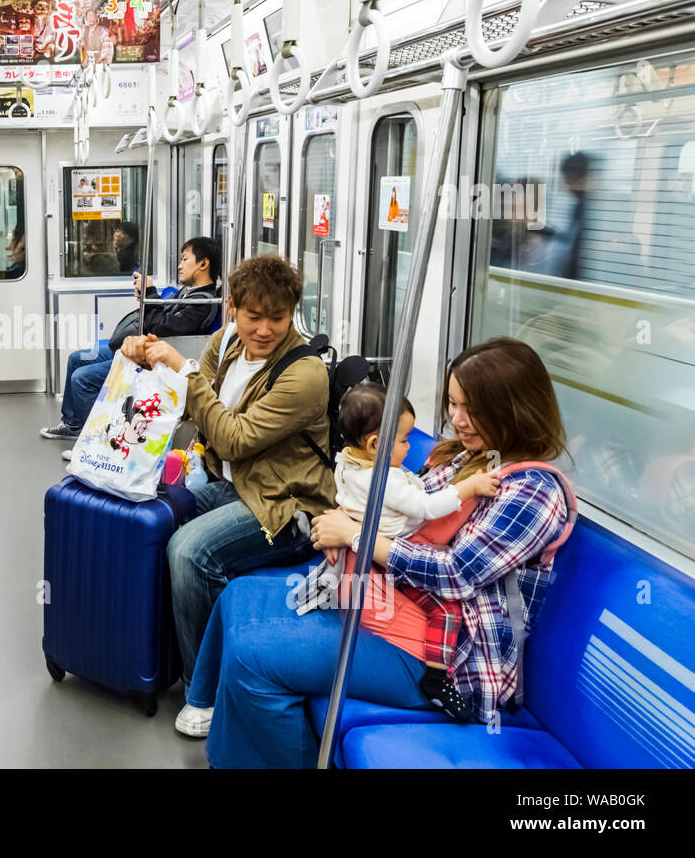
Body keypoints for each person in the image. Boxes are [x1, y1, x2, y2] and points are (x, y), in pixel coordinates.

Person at [185, 337, 571, 767]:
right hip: (392, 605)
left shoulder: (534, 491)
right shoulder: (465, 459)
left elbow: (458, 572)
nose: (457, 420)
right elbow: (399, 511)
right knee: (235, 596)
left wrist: (356, 537)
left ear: (513, 409)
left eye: (472, 409)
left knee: (254, 660)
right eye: (452, 405)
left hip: (444, 661)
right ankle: (210, 716)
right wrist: (343, 527)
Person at [120, 254, 335, 737]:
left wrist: (186, 372)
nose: (264, 329)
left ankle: (210, 689)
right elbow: (197, 415)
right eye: (253, 316)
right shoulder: (227, 343)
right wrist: (151, 362)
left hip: (289, 506)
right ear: (233, 307)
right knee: (153, 518)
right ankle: (159, 653)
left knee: (190, 551)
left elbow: (233, 437)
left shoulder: (304, 375)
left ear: (292, 313)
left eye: (277, 318)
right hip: (233, 484)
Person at [325, 383, 499, 718]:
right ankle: (436, 678)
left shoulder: (348, 463)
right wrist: (470, 486)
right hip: (394, 558)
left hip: (381, 553)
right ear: (375, 445)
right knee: (448, 611)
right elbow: (428, 507)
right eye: (404, 440)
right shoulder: (382, 479)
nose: (409, 446)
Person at [41, 236, 221, 442]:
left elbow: (165, 329)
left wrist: (151, 295)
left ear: (203, 264)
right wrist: (149, 298)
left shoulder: (202, 302)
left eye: (185, 259)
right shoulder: (188, 292)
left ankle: (93, 440)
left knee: (82, 378)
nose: (180, 266)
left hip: (152, 359)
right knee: (76, 358)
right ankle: (74, 424)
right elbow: (162, 320)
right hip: (144, 346)